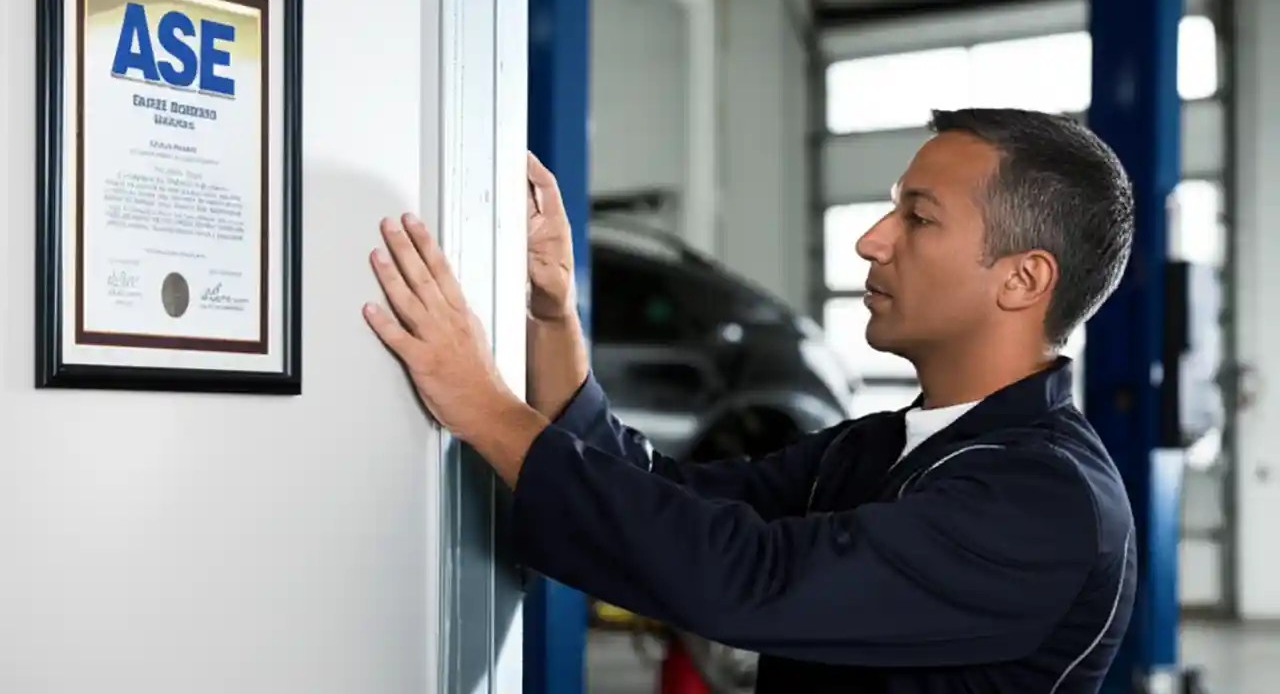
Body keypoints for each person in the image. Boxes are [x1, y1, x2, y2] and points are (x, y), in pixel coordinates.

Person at [360, 107, 1137, 693]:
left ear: (1023, 279)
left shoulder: (1046, 499)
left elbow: (748, 582)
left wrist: (484, 405)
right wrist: (551, 314)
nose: (872, 239)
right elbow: (665, 496)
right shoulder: (878, 447)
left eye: (919, 218)